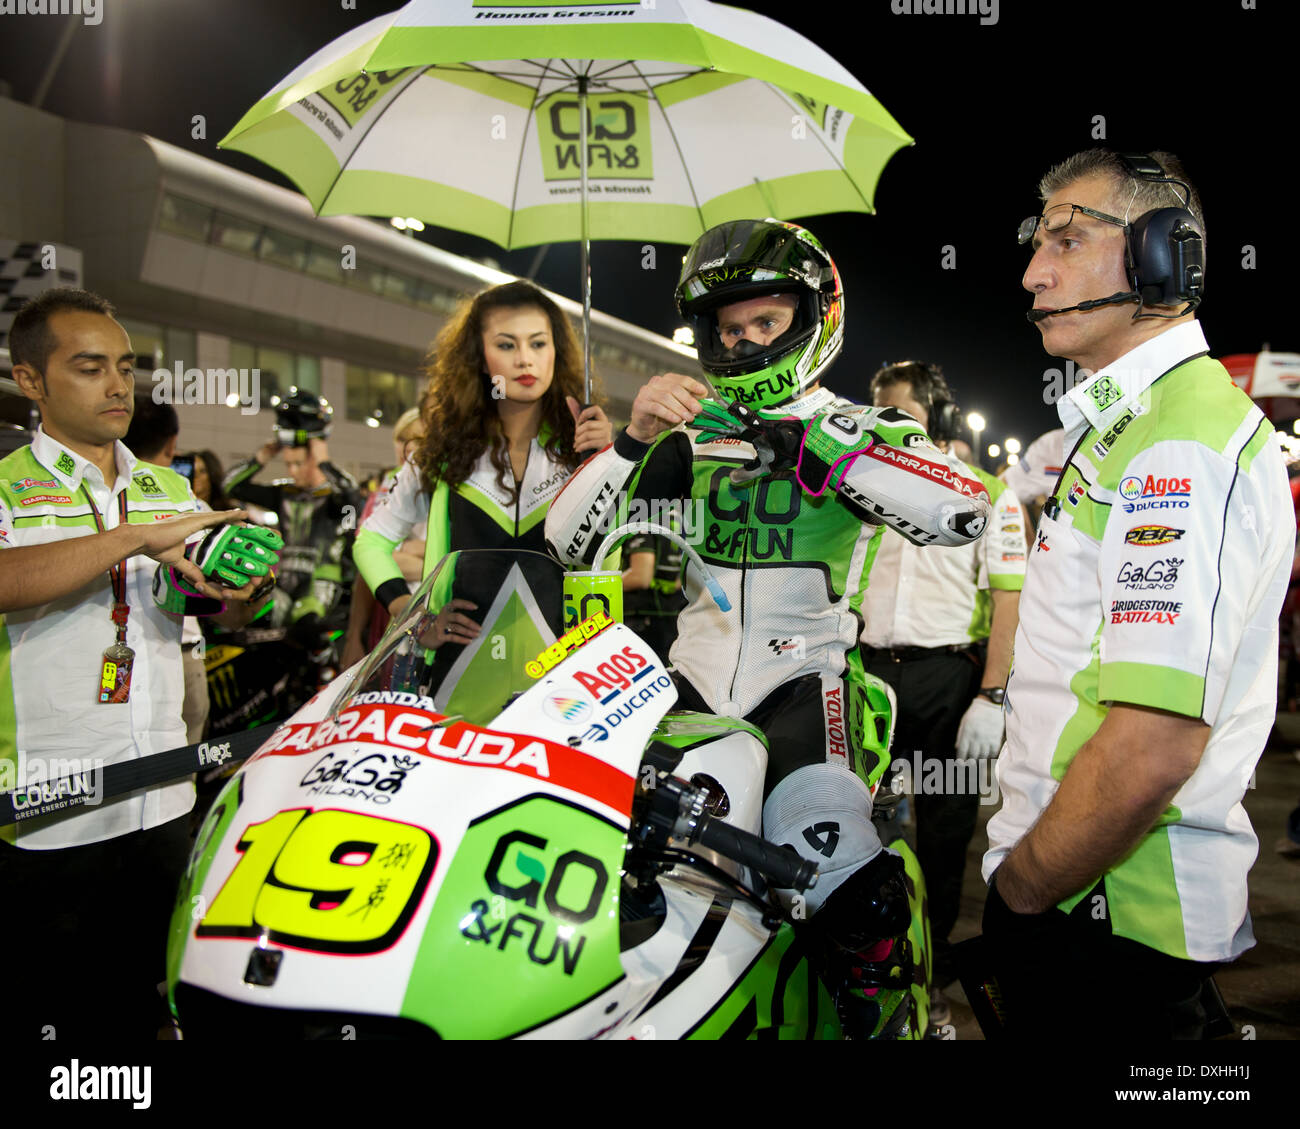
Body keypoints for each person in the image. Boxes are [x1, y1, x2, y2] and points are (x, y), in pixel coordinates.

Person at [545, 218, 991, 1037]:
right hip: (684, 685)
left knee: (838, 866)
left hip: (808, 684)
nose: (744, 339)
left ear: (814, 316)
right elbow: (567, 540)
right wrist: (635, 439)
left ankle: (897, 1019)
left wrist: (824, 444)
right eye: (730, 326)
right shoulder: (690, 433)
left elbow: (961, 513)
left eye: (765, 322)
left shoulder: (861, 425)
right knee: (594, 848)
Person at [981, 149, 1293, 1039]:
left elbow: (1154, 744)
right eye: (1037, 242)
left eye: (1068, 241)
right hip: (1094, 902)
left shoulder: (1179, 441)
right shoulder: (1133, 423)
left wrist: (1024, 889)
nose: (1034, 271)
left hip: (1107, 910)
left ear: (1164, 257)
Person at [0, 288, 281, 1039]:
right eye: (90, 367)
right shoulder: (4, 483)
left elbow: (199, 605)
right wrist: (133, 538)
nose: (119, 385)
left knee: (153, 1008)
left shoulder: (166, 487)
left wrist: (234, 590)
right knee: (59, 1014)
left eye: (125, 366)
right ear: (31, 381)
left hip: (161, 792)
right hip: (45, 808)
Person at [860, 360, 1025, 1031]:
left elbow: (1009, 599)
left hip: (950, 683)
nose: (885, 425)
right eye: (878, 412)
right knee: (850, 825)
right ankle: (865, 966)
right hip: (867, 673)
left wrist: (993, 695)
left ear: (939, 418)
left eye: (899, 412)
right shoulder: (859, 486)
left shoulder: (989, 492)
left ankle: (930, 982)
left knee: (945, 836)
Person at [353, 279, 611, 700]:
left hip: (564, 681)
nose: (525, 359)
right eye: (506, 345)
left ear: (556, 352)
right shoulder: (440, 452)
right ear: (479, 357)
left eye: (539, 343)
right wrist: (411, 614)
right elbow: (371, 540)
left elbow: (608, 562)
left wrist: (607, 465)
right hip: (459, 682)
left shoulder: (584, 450)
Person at [123, 394, 215, 744]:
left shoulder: (94, 493)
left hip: (106, 656)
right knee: (180, 766)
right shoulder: (187, 500)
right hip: (181, 650)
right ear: (173, 442)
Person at [339, 406, 427, 671]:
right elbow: (368, 560)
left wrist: (417, 553)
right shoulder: (385, 487)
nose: (408, 449)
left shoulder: (448, 480)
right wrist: (354, 635)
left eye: (418, 441)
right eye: (402, 440)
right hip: (390, 607)